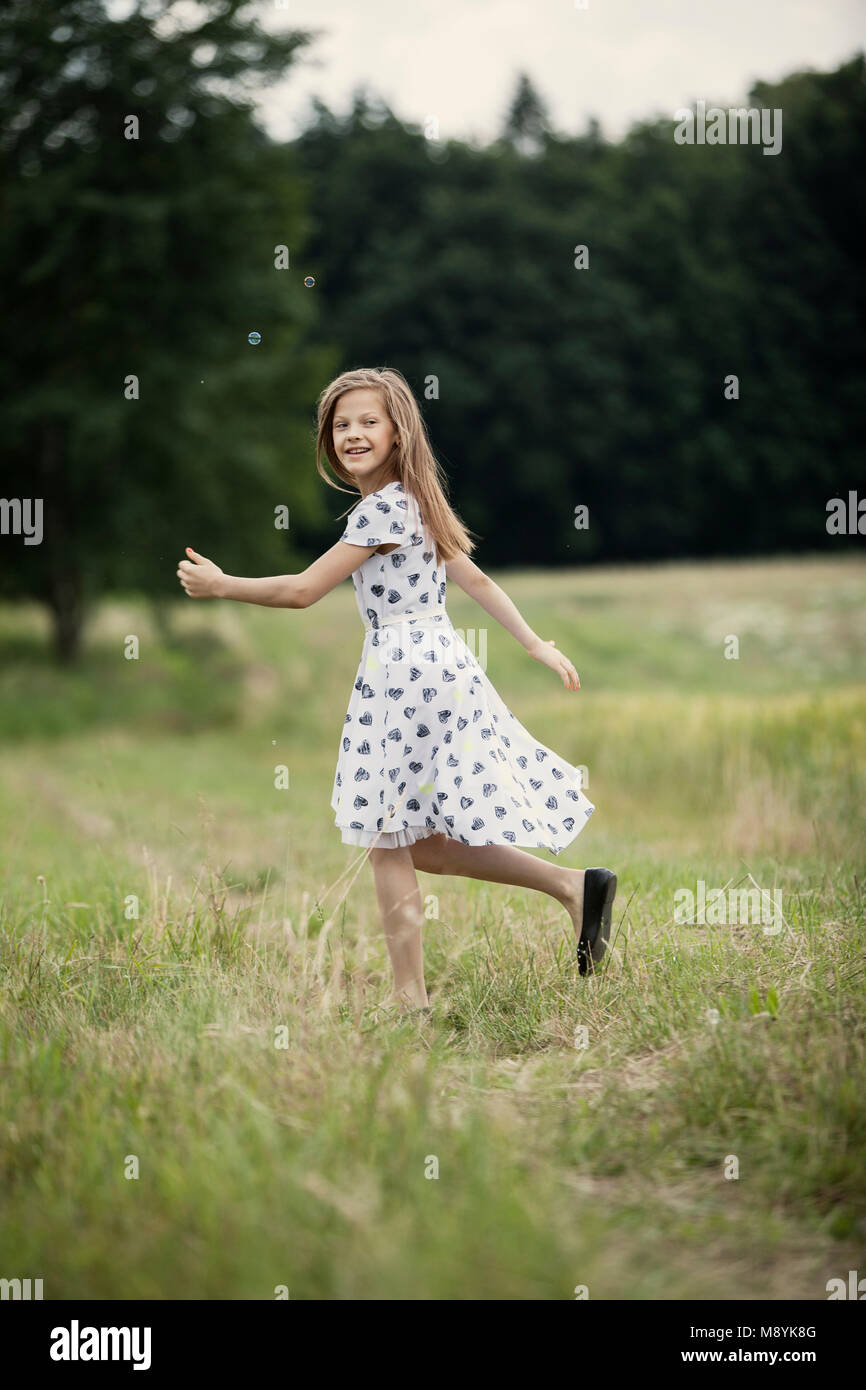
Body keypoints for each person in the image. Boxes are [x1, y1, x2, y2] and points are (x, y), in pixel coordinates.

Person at [177, 367, 616, 1014]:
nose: (352, 434)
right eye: (341, 424)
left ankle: (409, 1003)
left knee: (386, 838)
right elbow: (479, 583)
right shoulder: (411, 502)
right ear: (328, 439)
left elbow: (302, 591)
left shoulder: (385, 508)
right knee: (419, 845)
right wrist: (533, 644)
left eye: (367, 422)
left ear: (398, 433)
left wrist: (223, 586)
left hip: (405, 674)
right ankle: (577, 887)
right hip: (436, 665)